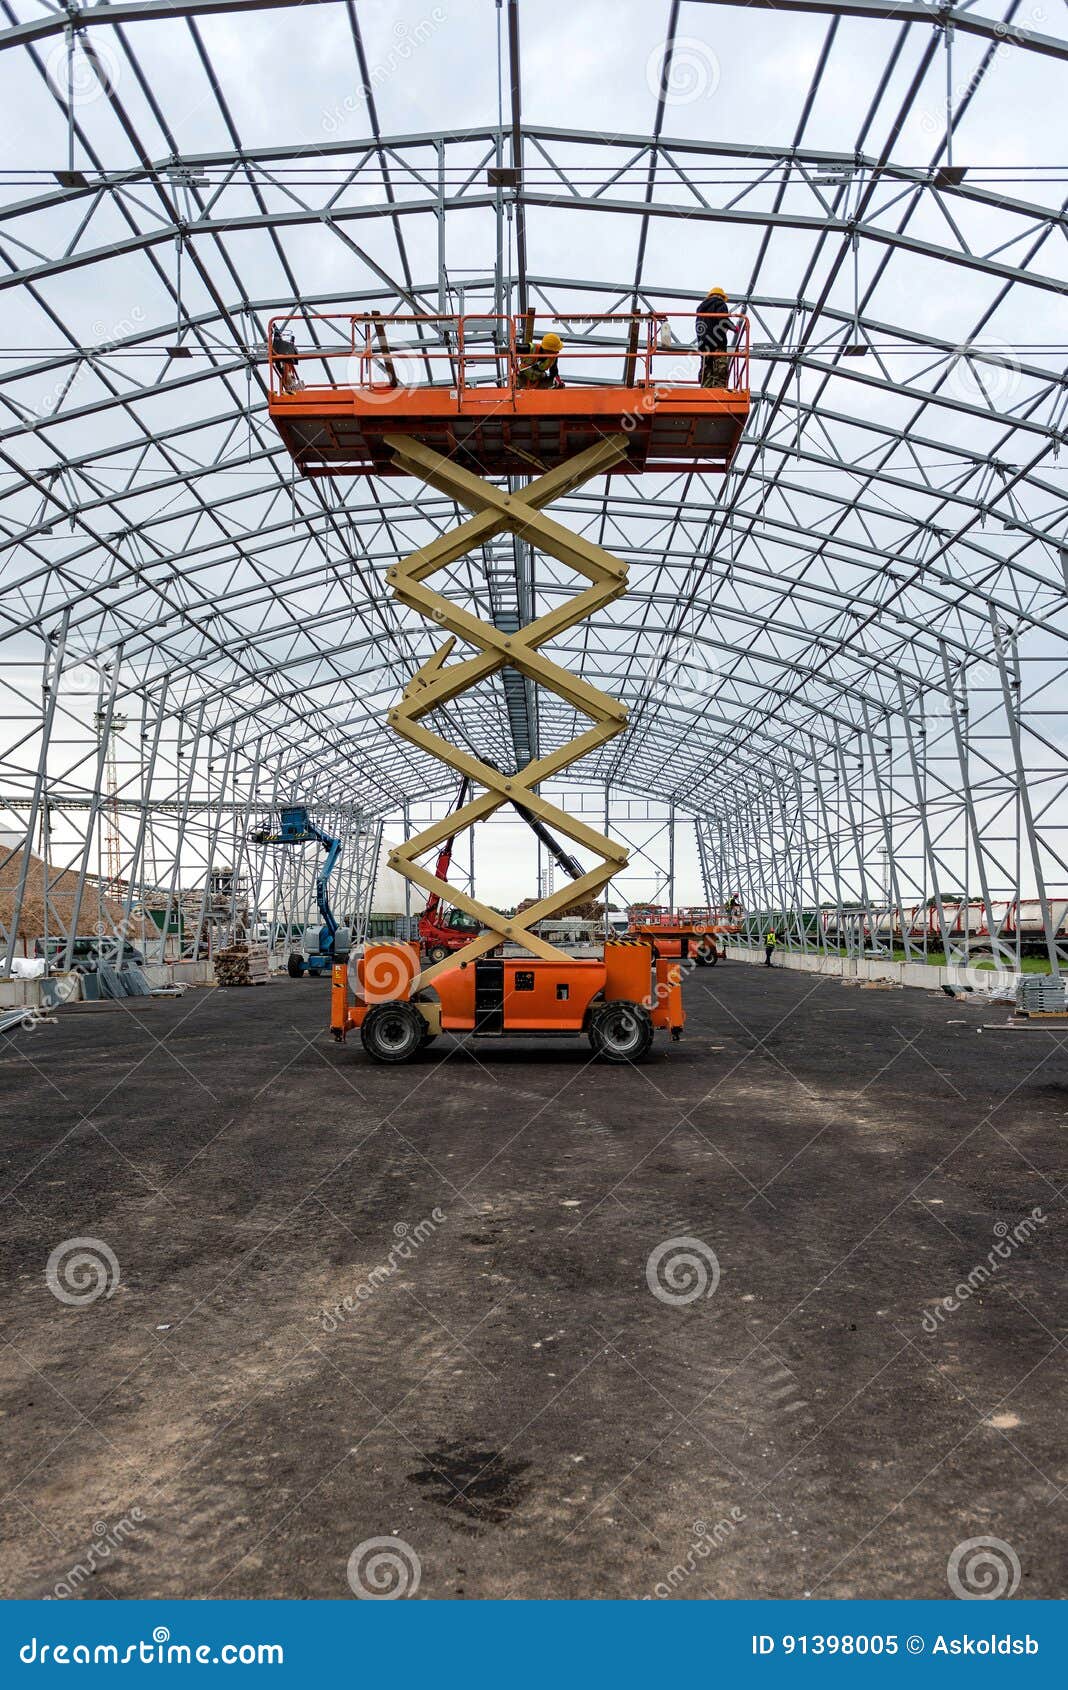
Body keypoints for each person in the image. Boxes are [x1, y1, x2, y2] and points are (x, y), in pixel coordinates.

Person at [695, 286, 731, 388]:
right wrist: (734, 328)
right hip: (717, 343)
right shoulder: (720, 303)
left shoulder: (700, 309)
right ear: (721, 297)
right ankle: (719, 391)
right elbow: (723, 319)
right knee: (720, 369)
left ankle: (706, 391)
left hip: (704, 346)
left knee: (707, 371)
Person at [271, 322, 303, 394]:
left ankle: (277, 335)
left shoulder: (293, 387)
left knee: (280, 354)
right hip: (281, 352)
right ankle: (278, 335)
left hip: (292, 388)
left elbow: (278, 366)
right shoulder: (294, 386)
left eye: (292, 377)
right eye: (292, 377)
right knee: (282, 353)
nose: (292, 377)